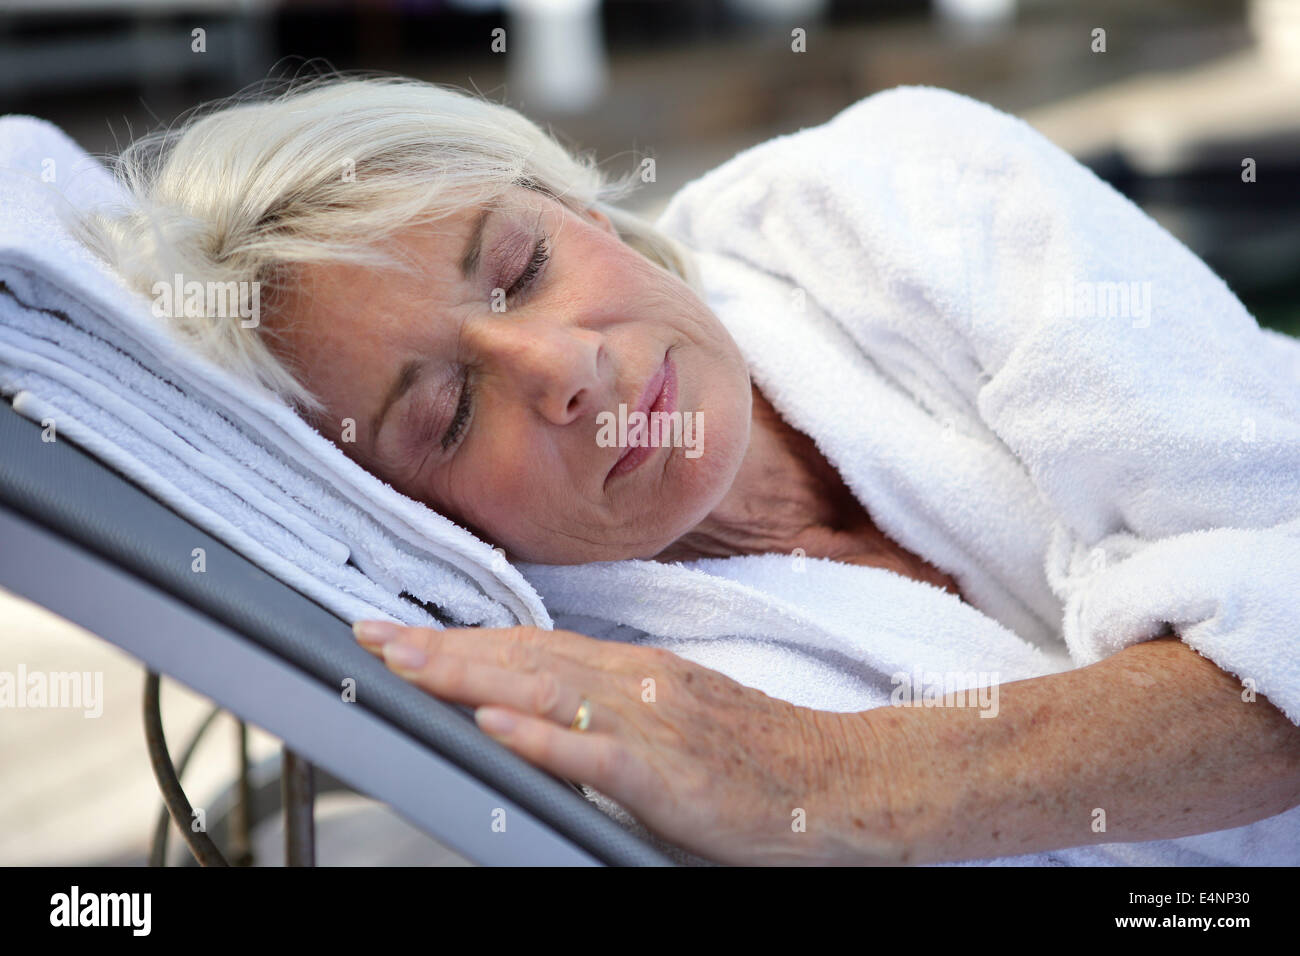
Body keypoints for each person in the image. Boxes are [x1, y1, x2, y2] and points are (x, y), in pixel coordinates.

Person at [78, 75, 1300, 865]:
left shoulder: (892, 194)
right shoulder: (629, 705)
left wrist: (841, 777)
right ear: (404, 514)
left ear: (583, 210)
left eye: (519, 267)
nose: (563, 367)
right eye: (448, 415)